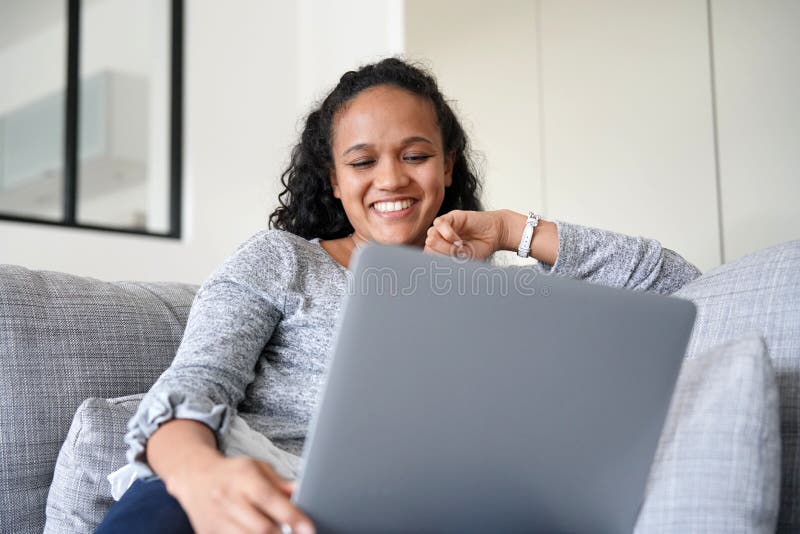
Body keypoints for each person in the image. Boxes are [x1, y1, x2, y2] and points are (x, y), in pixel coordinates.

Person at [96, 57, 700, 534]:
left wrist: (513, 229)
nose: (391, 179)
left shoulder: (492, 293)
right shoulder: (283, 260)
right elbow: (191, 385)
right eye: (363, 161)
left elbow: (674, 281)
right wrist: (200, 477)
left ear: (446, 165)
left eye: (415, 156)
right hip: (257, 483)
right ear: (334, 179)